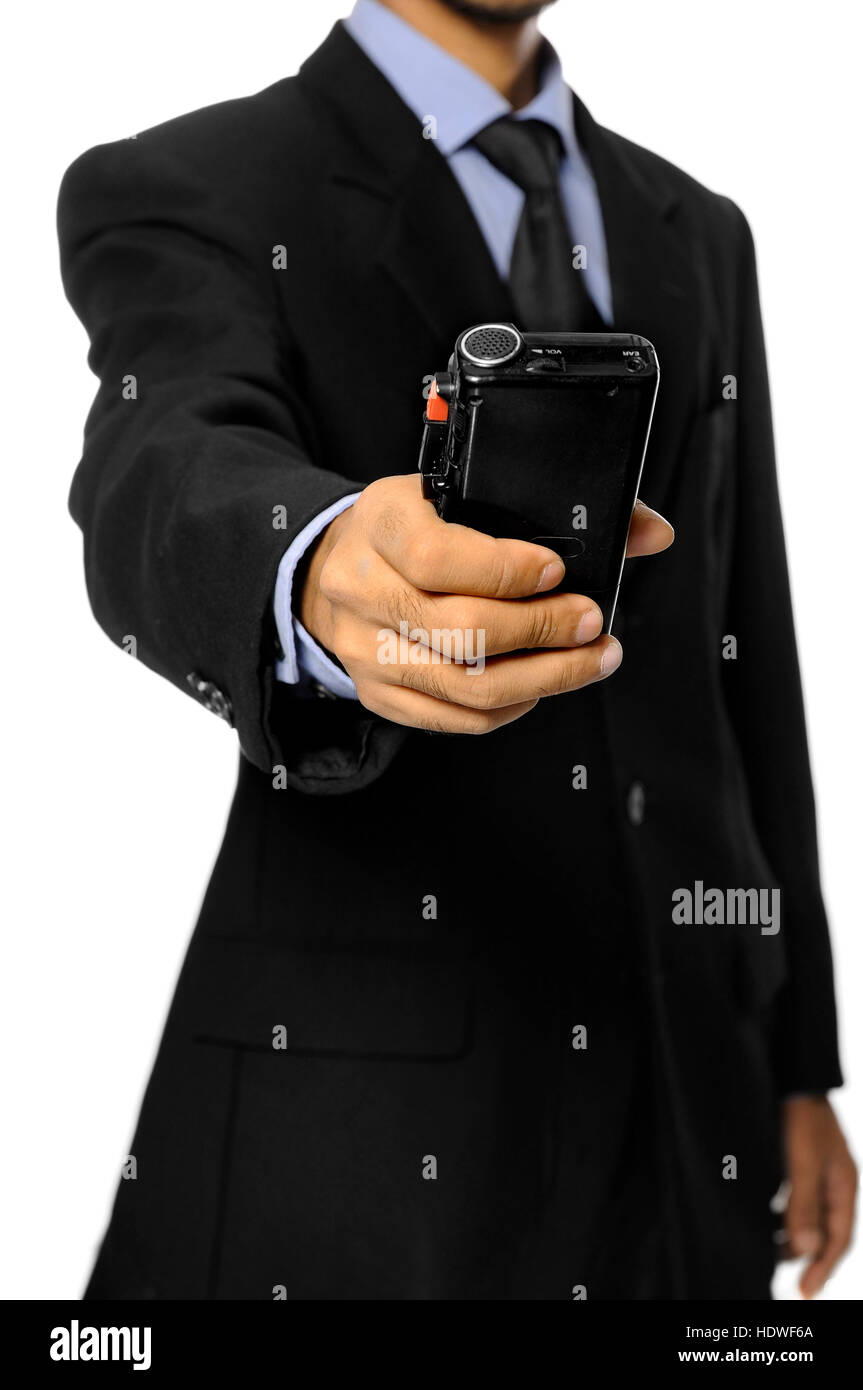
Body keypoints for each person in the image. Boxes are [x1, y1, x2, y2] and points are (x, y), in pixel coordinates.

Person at [59, 0, 856, 1299]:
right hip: (369, 1141)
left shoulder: (701, 230)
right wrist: (310, 561)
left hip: (687, 1100)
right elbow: (157, 463)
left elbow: (748, 658)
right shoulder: (194, 180)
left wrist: (799, 1056)